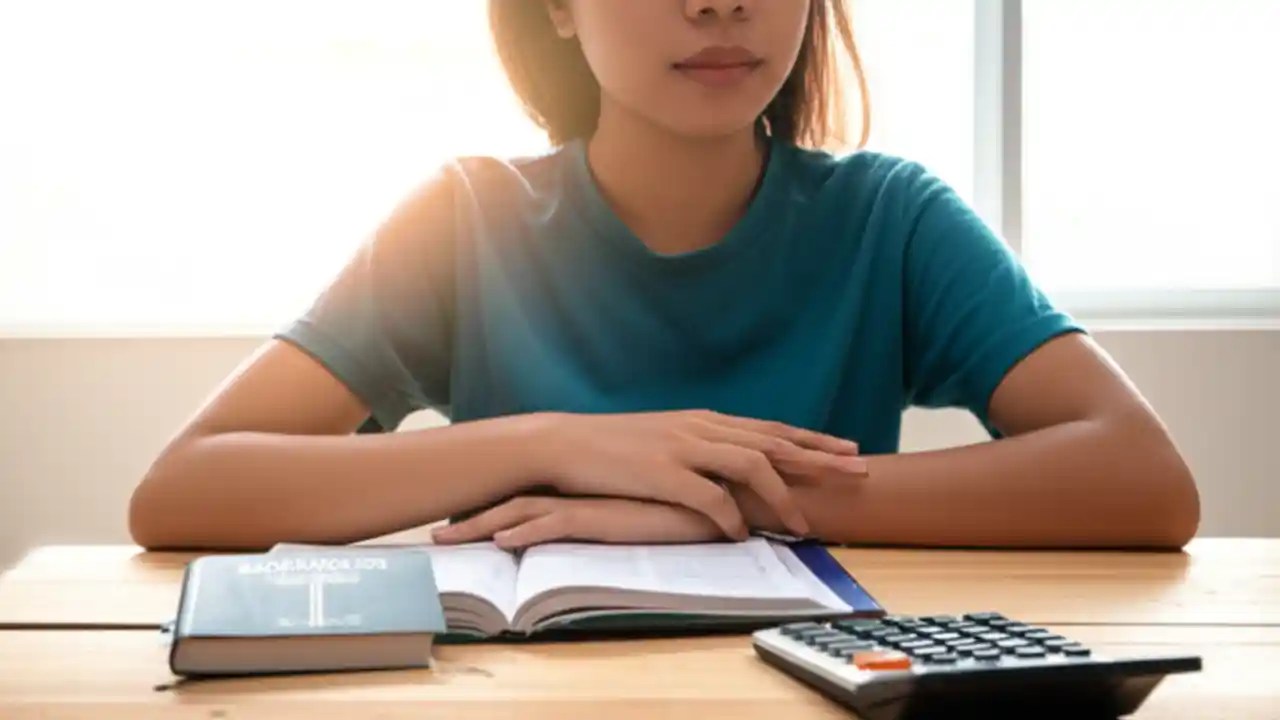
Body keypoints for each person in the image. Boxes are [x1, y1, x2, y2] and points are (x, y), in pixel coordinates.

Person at [128, 0, 1199, 552]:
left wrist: (742, 503)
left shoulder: (889, 217)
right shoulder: (465, 217)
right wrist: (556, 446)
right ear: (557, 5)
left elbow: (1146, 482)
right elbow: (182, 492)